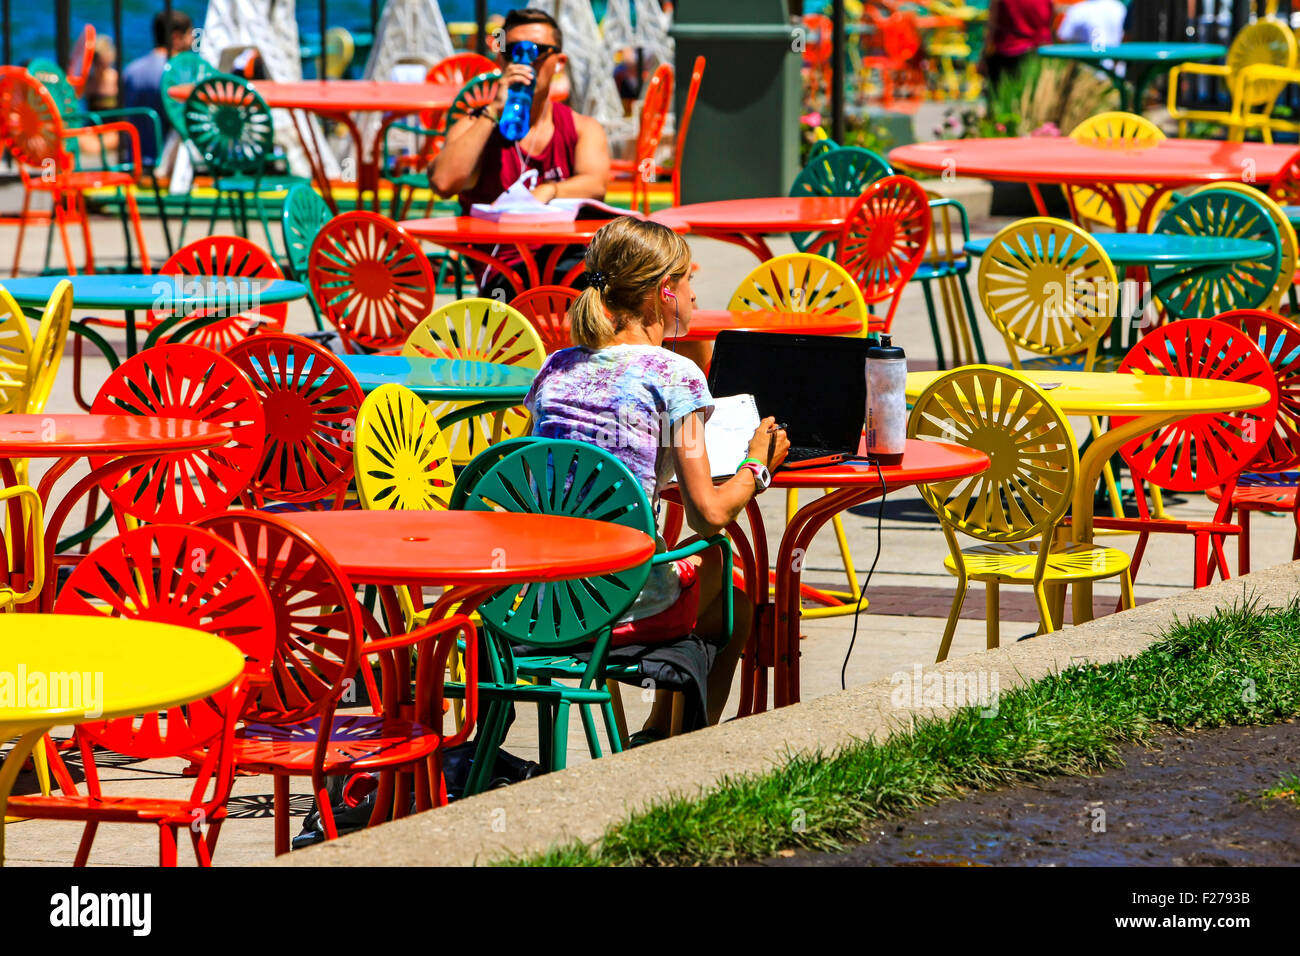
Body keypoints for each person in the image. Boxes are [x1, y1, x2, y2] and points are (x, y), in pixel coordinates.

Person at [524, 217, 790, 740]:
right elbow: (708, 515)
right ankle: (678, 747)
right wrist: (757, 464)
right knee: (729, 569)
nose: (694, 293)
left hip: (539, 597)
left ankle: (653, 736)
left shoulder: (554, 368)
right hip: (615, 597)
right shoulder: (676, 375)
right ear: (664, 292)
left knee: (690, 565)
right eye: (690, 280)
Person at [429, 7, 611, 301]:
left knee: (653, 288)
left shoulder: (581, 128)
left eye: (537, 51)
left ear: (559, 62)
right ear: (501, 60)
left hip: (570, 266)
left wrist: (549, 190)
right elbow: (443, 182)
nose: (526, 61)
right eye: (514, 51)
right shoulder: (475, 127)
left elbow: (596, 184)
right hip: (505, 279)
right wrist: (493, 110)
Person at [120, 9, 195, 166]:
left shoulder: (131, 70)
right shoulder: (179, 74)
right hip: (168, 163)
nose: (193, 41)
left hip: (134, 160)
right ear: (176, 37)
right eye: (190, 35)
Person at [981, 0, 1053, 90]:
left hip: (1006, 54)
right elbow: (1049, 22)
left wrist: (983, 57)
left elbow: (992, 25)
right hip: (1038, 53)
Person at [1056, 0, 1127, 50]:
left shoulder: (1079, 9)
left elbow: (1064, 38)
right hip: (1116, 66)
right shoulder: (1120, 8)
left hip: (1088, 66)